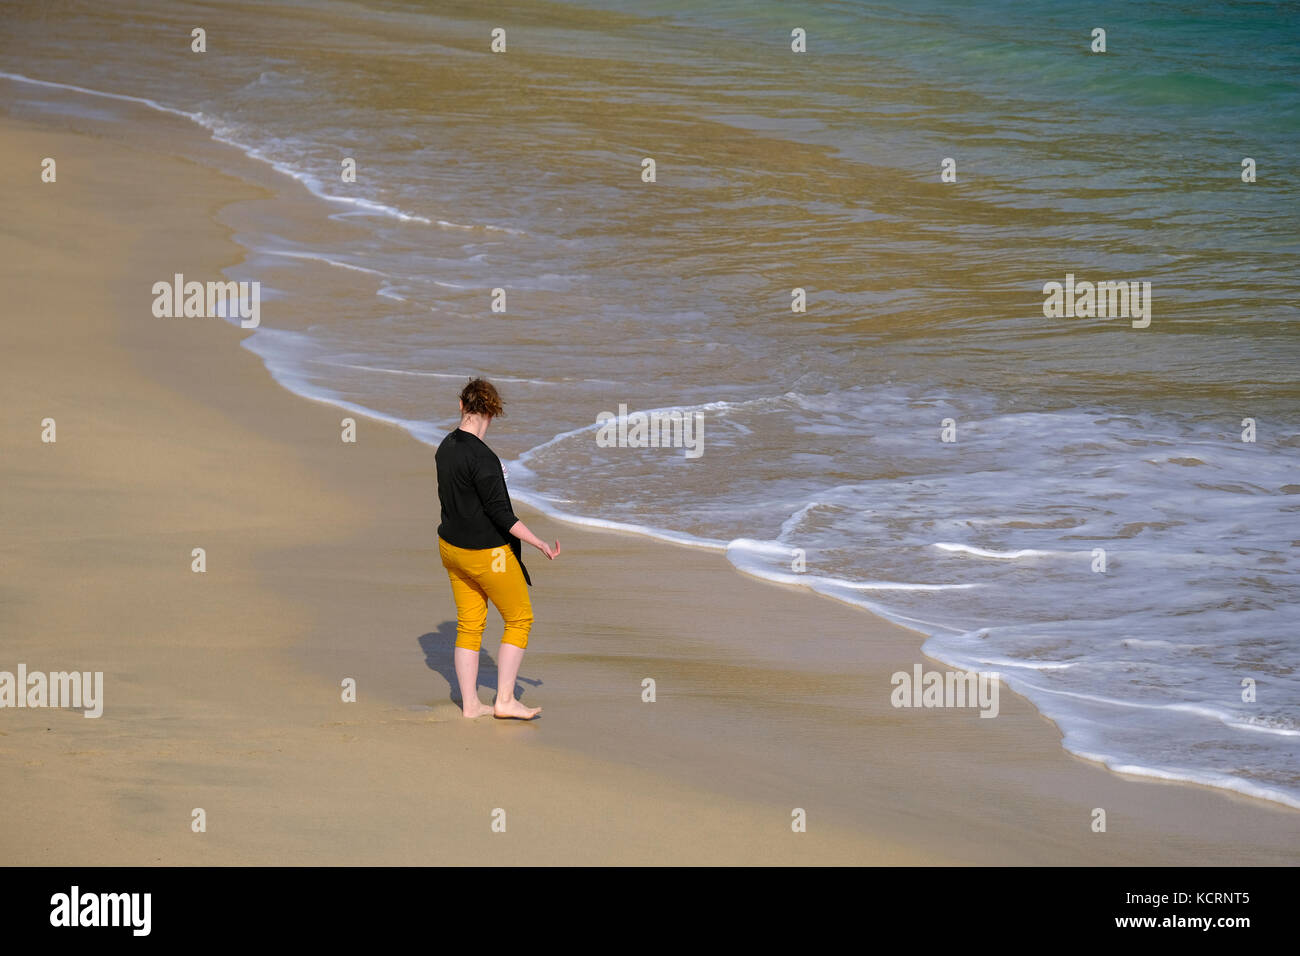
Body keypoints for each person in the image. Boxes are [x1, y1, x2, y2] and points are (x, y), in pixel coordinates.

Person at [436, 377, 560, 719]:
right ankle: (505, 701)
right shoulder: (484, 460)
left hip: (451, 548)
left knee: (469, 625)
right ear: (492, 411)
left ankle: (471, 705)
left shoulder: (444, 447)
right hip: (486, 554)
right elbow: (502, 515)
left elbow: (460, 498)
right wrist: (538, 542)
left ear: (461, 405)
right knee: (519, 619)